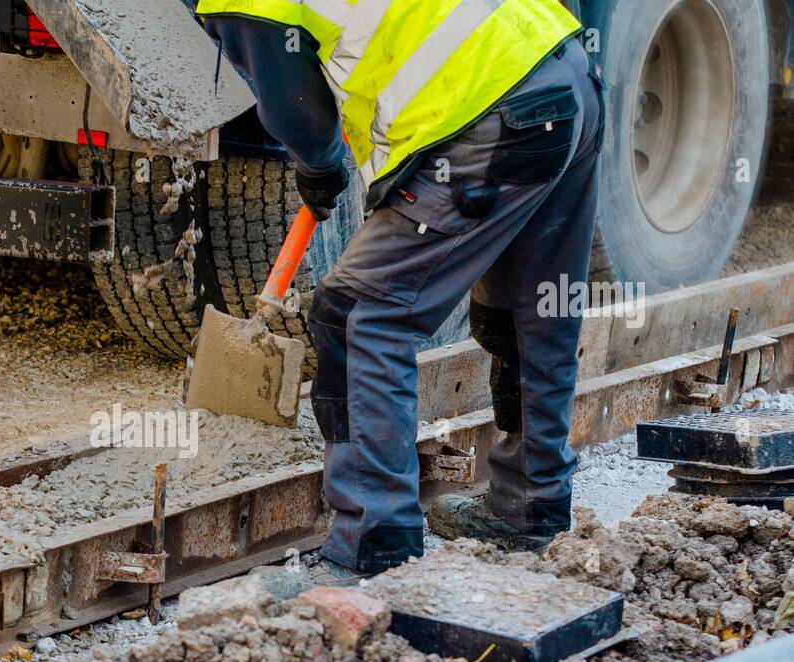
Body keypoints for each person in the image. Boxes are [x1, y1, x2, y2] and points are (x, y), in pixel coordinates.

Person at [196, 0, 605, 581]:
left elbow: (299, 114)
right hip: (567, 74)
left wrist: (318, 166)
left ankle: (375, 544)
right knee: (534, 306)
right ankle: (532, 505)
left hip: (491, 107)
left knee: (358, 312)